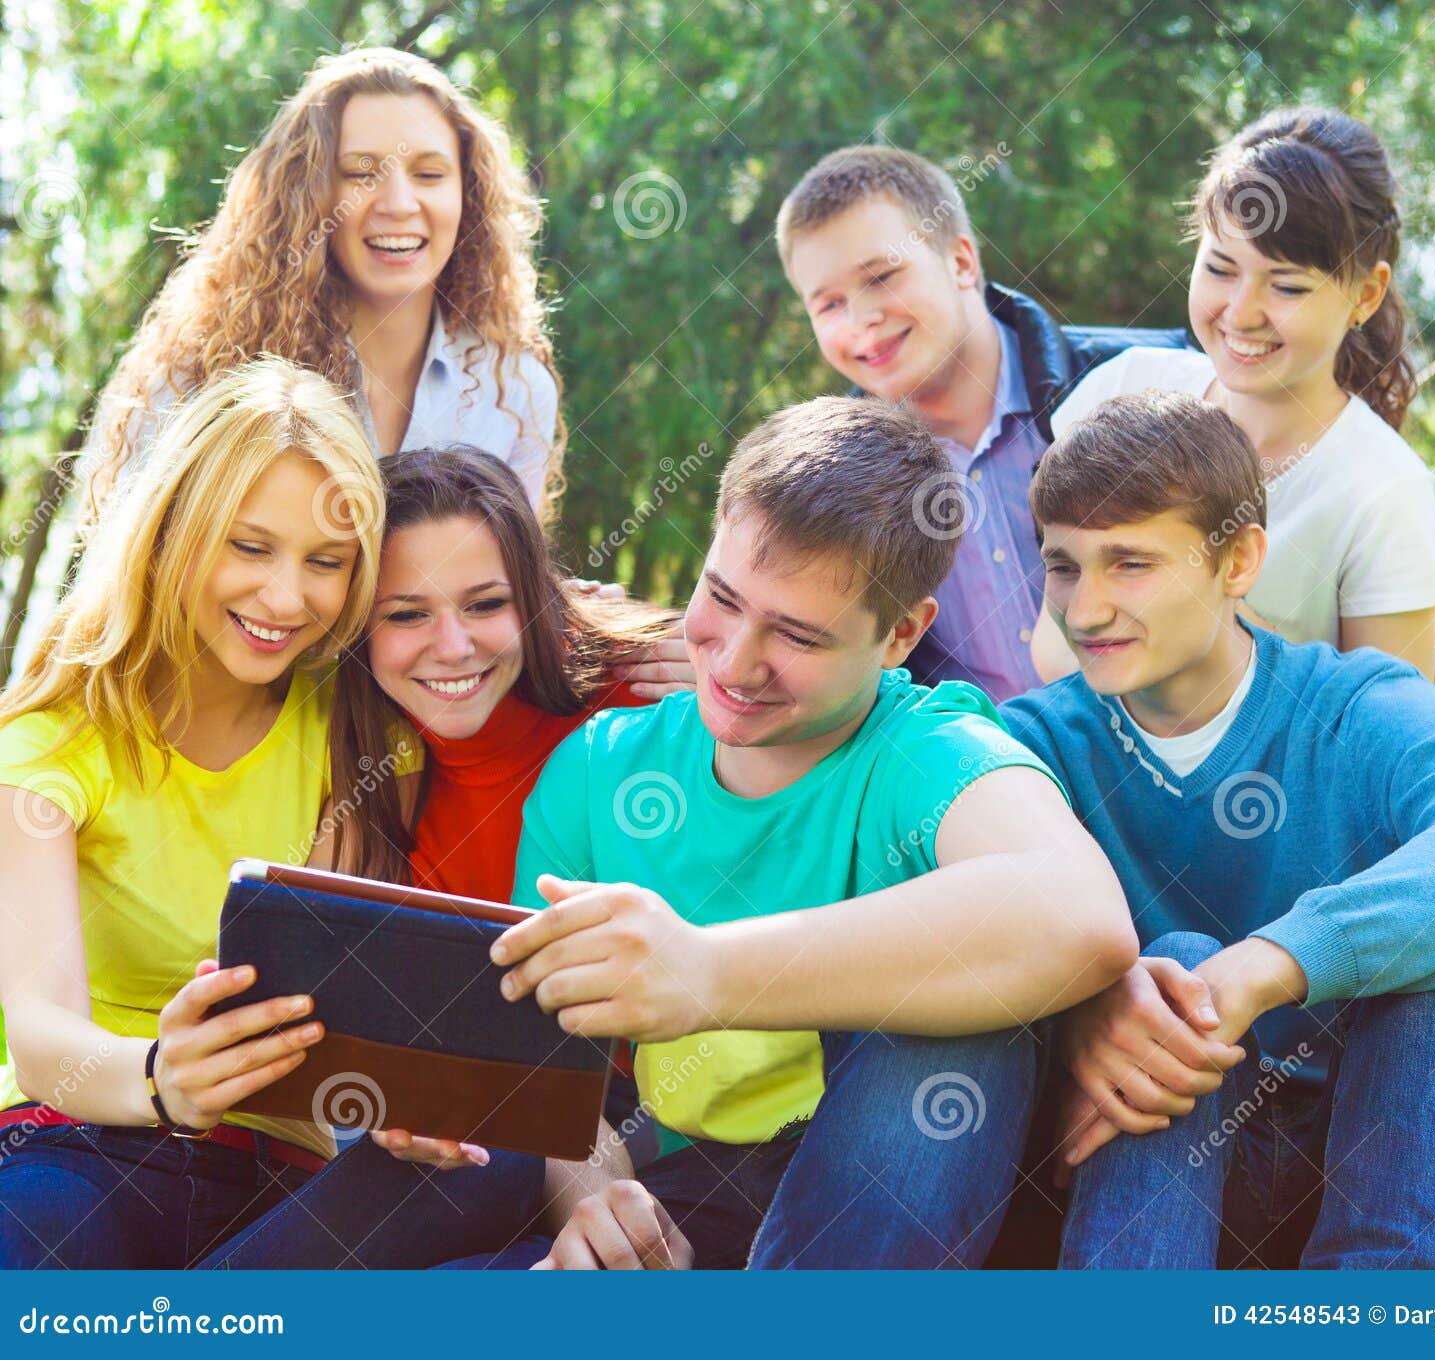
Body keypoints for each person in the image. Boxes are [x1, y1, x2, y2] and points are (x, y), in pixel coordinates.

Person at [487, 395, 1136, 1268]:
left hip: (894, 1184)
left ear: (901, 634)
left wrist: (708, 971)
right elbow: (541, 1073)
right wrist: (599, 1205)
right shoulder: (600, 769)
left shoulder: (925, 750)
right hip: (691, 1194)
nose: (737, 659)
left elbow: (1081, 917)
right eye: (721, 596)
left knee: (956, 1027)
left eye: (797, 634)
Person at [1000, 389, 1435, 1268]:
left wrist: (1266, 967)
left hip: (1381, 1167)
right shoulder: (1029, 745)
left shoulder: (1354, 708)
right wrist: (1083, 1013)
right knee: (1177, 968)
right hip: (1153, 1178)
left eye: (1131, 564)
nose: (1083, 611)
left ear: (1239, 562)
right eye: (1065, 567)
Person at [200, 445, 688, 1269]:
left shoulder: (643, 698)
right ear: (359, 627)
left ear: (534, 598)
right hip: (506, 1116)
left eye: (486, 603)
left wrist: (725, 667)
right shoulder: (371, 777)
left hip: (665, 1101)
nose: (453, 646)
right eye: (405, 614)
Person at [0, 357, 387, 1268]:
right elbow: (45, 1035)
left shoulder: (351, 724)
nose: (286, 598)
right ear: (172, 529)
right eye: (249, 548)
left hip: (285, 1173)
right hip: (81, 1144)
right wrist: (161, 1080)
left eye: (325, 562)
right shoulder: (52, 741)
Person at [1032, 107, 1435, 683]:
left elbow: (1386, 738)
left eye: (1288, 286)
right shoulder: (1122, 388)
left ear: (1366, 294)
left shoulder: (1386, 494)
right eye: (1221, 269)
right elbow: (1052, 645)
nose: (1242, 313)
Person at [777, 145, 1189, 700]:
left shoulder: (1146, 383)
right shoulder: (836, 487)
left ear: (961, 262)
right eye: (827, 305)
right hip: (989, 778)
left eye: (881, 277)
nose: (861, 319)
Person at [82, 47, 564, 522]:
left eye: (429, 174)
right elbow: (131, 576)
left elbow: (505, 586)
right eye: (360, 173)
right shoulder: (198, 375)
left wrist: (568, 600)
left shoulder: (517, 392)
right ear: (308, 196)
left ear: (469, 194)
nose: (398, 203)